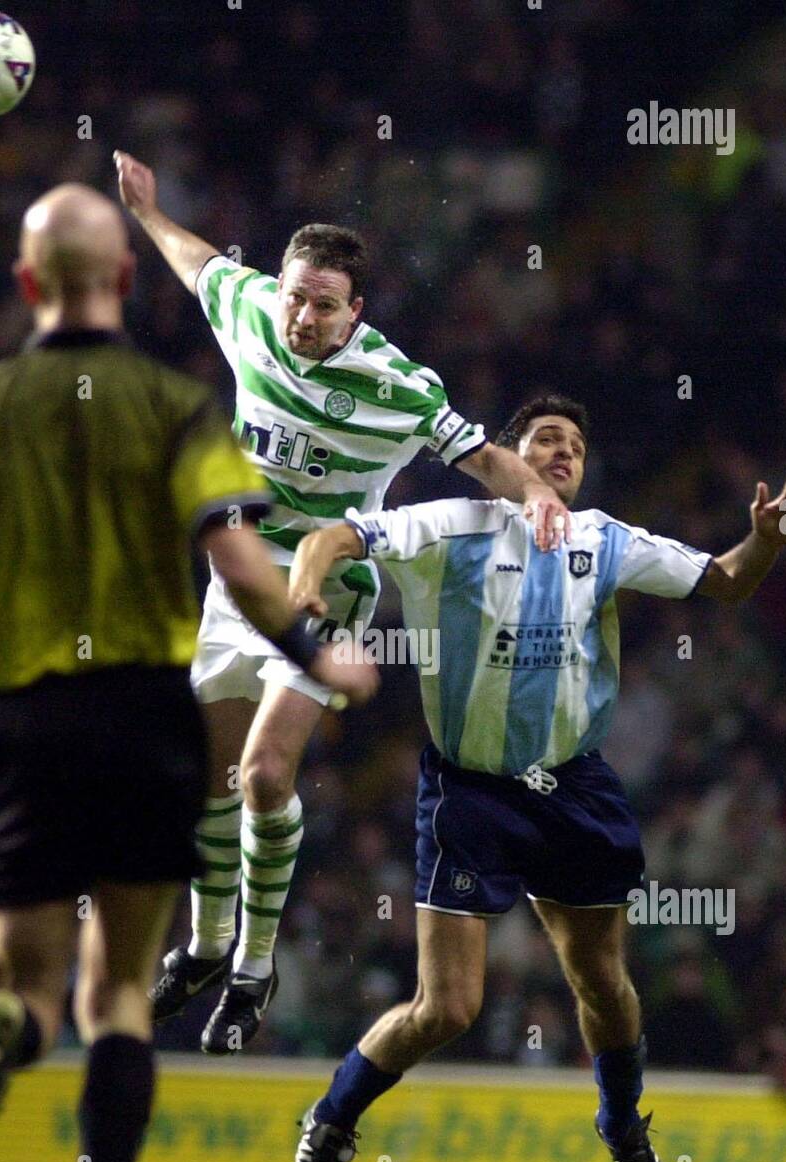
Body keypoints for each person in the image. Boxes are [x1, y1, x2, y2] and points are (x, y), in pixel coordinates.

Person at [0, 183, 374, 1162]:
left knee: (20, 983)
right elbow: (242, 569)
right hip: (143, 715)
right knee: (117, 994)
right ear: (122, 283)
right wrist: (318, 651)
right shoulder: (175, 408)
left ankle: (0, 1035)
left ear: (25, 286)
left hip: (19, 715)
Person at [287, 392, 786, 1162]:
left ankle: (622, 1127)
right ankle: (331, 1121)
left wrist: (767, 542)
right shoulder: (449, 525)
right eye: (544, 440)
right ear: (505, 457)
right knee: (448, 1008)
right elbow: (335, 536)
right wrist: (307, 587)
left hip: (573, 786)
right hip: (471, 791)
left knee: (602, 982)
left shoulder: (603, 539)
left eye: (574, 442)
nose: (563, 453)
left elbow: (727, 581)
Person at [112, 150, 570, 1053]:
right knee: (208, 778)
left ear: (355, 312)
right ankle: (203, 948)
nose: (302, 315)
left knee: (267, 775)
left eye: (324, 304)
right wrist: (146, 212)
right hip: (237, 578)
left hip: (330, 587)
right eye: (295, 295)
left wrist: (540, 496)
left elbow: (481, 456)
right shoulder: (249, 312)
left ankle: (252, 966)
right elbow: (200, 263)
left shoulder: (399, 386)